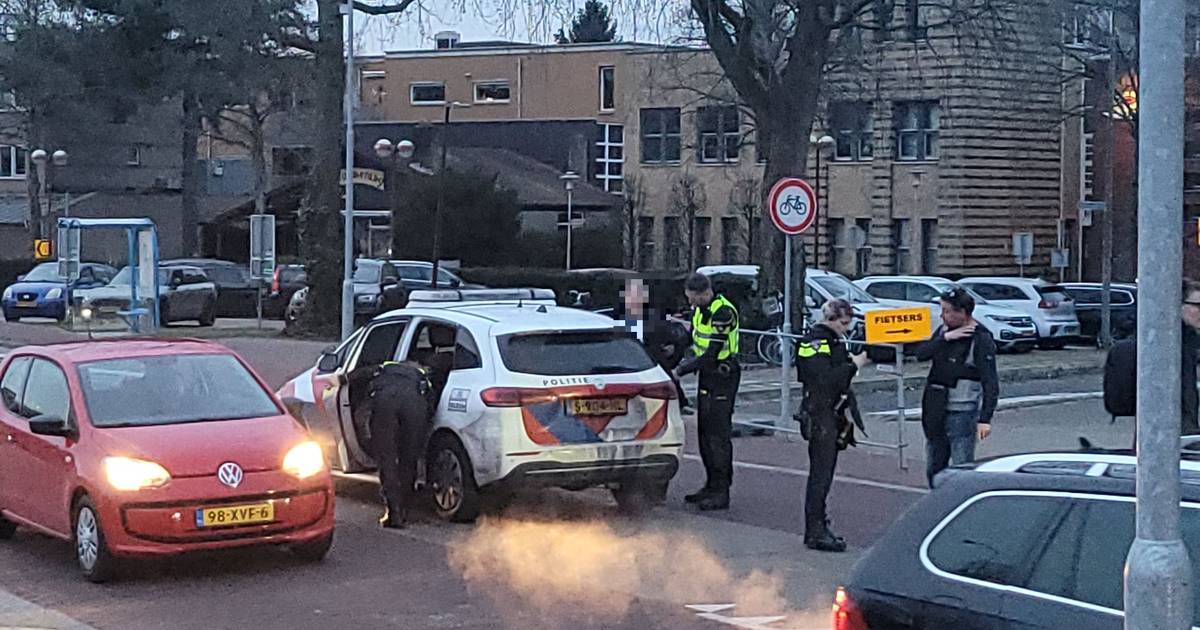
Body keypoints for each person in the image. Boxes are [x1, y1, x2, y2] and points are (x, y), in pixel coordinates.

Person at [795, 299, 869, 552]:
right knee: (820, 475)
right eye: (844, 323)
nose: (846, 329)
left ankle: (818, 526)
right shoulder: (815, 341)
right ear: (831, 319)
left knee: (823, 474)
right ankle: (815, 531)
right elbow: (822, 379)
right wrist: (853, 365)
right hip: (820, 413)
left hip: (829, 412)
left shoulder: (830, 340)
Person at [917, 286, 999, 487]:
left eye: (946, 311)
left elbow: (990, 380)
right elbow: (921, 353)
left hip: (962, 408)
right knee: (934, 463)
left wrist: (985, 418)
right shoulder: (944, 331)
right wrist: (945, 338)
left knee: (961, 465)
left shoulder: (980, 338)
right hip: (935, 405)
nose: (942, 315)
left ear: (962, 313)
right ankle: (936, 499)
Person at [675, 273, 740, 511]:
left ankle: (722, 491)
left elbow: (712, 352)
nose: (690, 302)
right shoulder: (700, 310)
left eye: (693, 298)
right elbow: (691, 340)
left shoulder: (723, 312)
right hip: (708, 374)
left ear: (704, 293)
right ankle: (710, 485)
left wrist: (680, 370)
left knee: (718, 435)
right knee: (704, 433)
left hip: (723, 375)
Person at [1104, 278, 1200, 440]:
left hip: (1179, 435)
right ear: (1178, 305)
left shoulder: (1187, 343)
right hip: (1164, 439)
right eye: (1197, 306)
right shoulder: (1161, 345)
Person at [366, 361, 437, 528]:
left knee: (387, 458)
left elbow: (365, 389)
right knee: (409, 458)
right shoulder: (422, 377)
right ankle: (405, 509)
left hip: (385, 401)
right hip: (414, 404)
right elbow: (431, 402)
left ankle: (393, 511)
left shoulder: (382, 370)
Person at [619, 278, 691, 410]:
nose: (632, 300)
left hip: (652, 367)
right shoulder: (622, 319)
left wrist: (672, 354)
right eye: (630, 296)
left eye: (636, 296)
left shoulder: (653, 318)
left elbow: (675, 340)